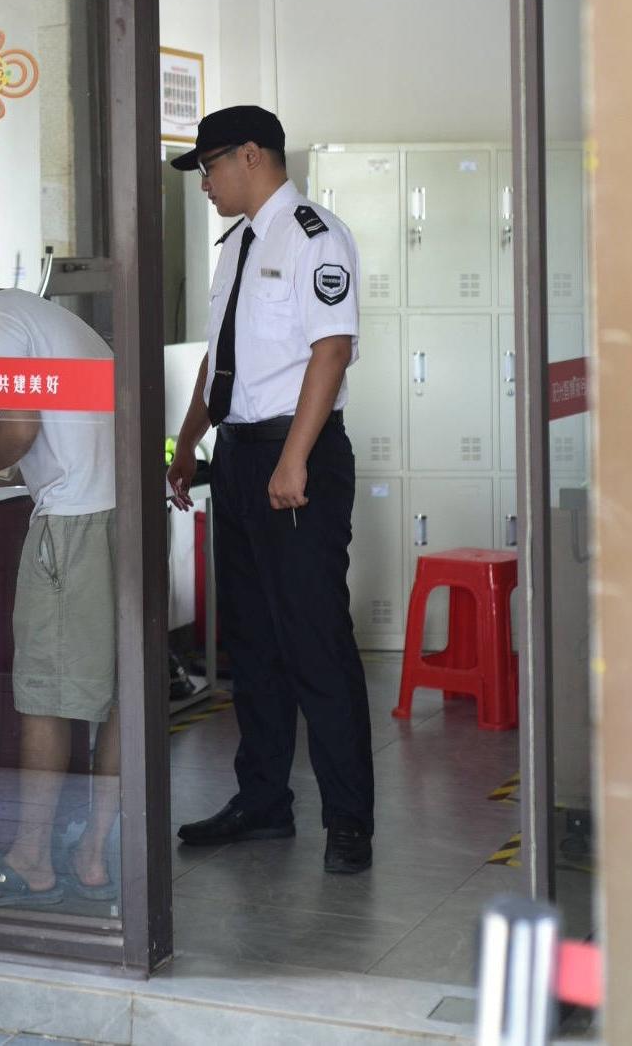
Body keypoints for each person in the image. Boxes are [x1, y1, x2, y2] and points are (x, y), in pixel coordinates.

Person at [166, 105, 376, 875]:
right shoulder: (237, 247)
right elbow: (219, 359)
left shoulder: (315, 235)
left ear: (250, 155)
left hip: (299, 458)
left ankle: (349, 821)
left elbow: (332, 350)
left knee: (314, 642)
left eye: (209, 167)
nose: (205, 184)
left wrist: (294, 459)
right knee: (251, 643)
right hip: (240, 456)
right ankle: (262, 802)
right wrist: (187, 443)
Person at [0, 247, 120, 907]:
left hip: (73, 524)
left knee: (46, 695)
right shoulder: (44, 317)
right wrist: (0, 464)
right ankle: (93, 855)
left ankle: (30, 859)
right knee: (118, 696)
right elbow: (64, 425)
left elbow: (19, 427)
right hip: (121, 514)